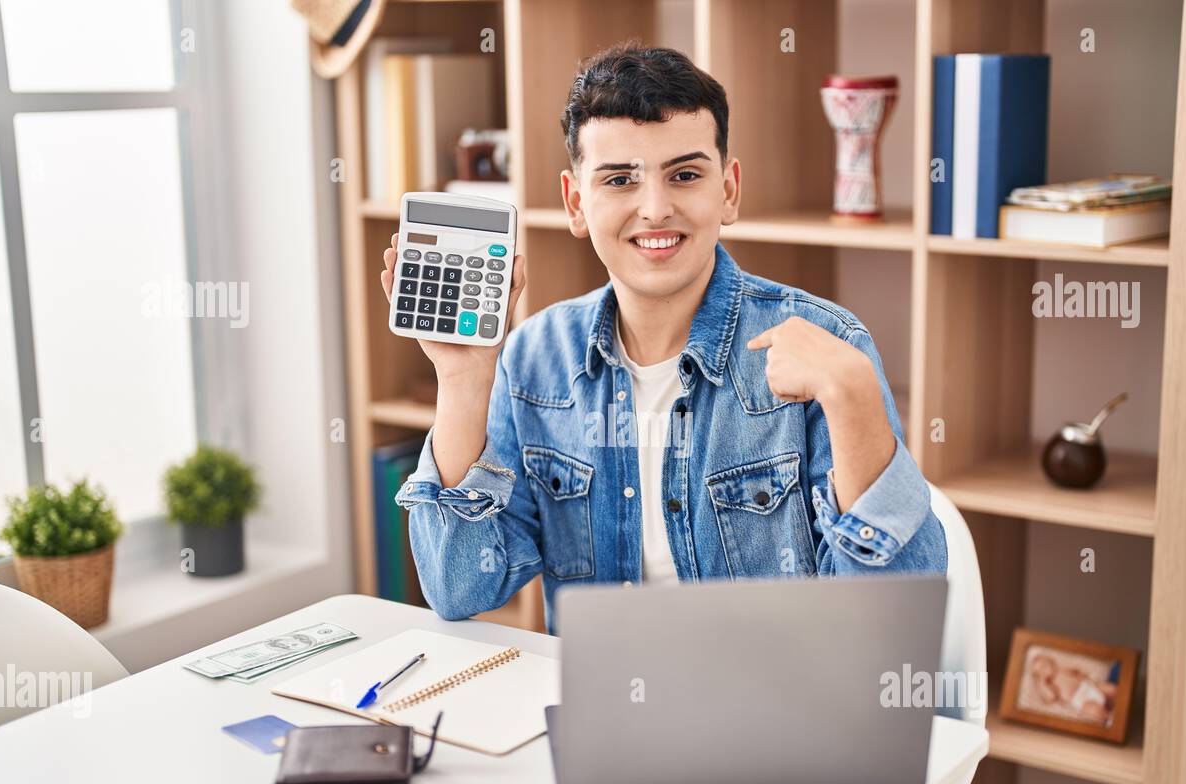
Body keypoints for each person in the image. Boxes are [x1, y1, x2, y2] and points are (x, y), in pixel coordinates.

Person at [381, 43, 947, 632]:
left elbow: (890, 628)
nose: (655, 209)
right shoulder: (533, 358)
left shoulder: (829, 346)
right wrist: (463, 379)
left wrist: (854, 396)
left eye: (684, 175)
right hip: (608, 706)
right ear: (577, 203)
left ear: (728, 190)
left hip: (774, 707)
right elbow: (458, 589)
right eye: (620, 179)